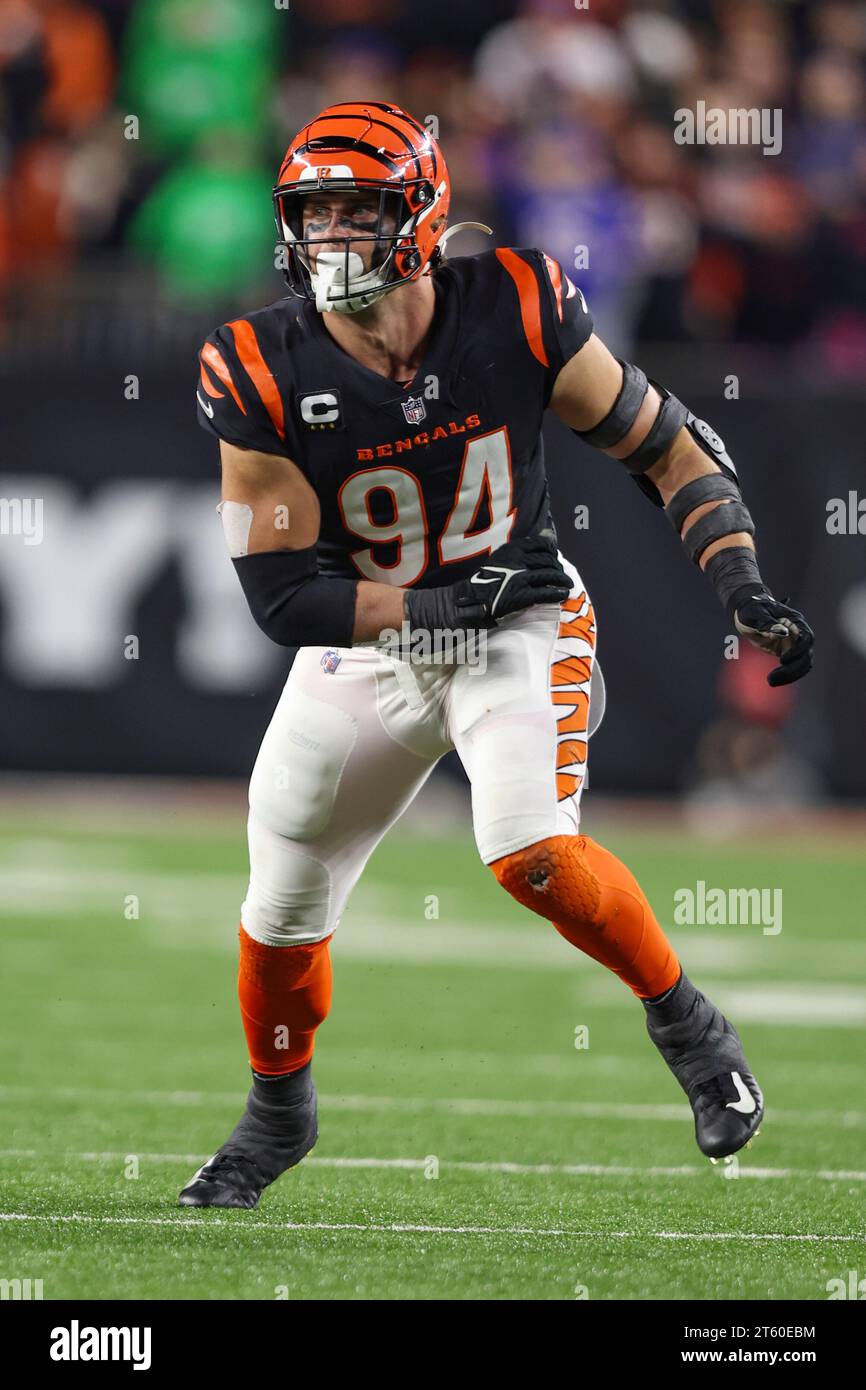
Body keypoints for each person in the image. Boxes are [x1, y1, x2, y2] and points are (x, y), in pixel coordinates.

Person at [180, 102, 814, 1209]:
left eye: (356, 210)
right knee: (280, 890)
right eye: (311, 212)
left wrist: (739, 583)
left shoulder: (516, 306)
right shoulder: (255, 366)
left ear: (419, 214)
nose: (328, 236)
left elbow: (665, 448)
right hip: (376, 630)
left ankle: (689, 1026)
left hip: (517, 617)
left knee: (525, 847)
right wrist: (430, 609)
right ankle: (277, 1115)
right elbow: (285, 597)